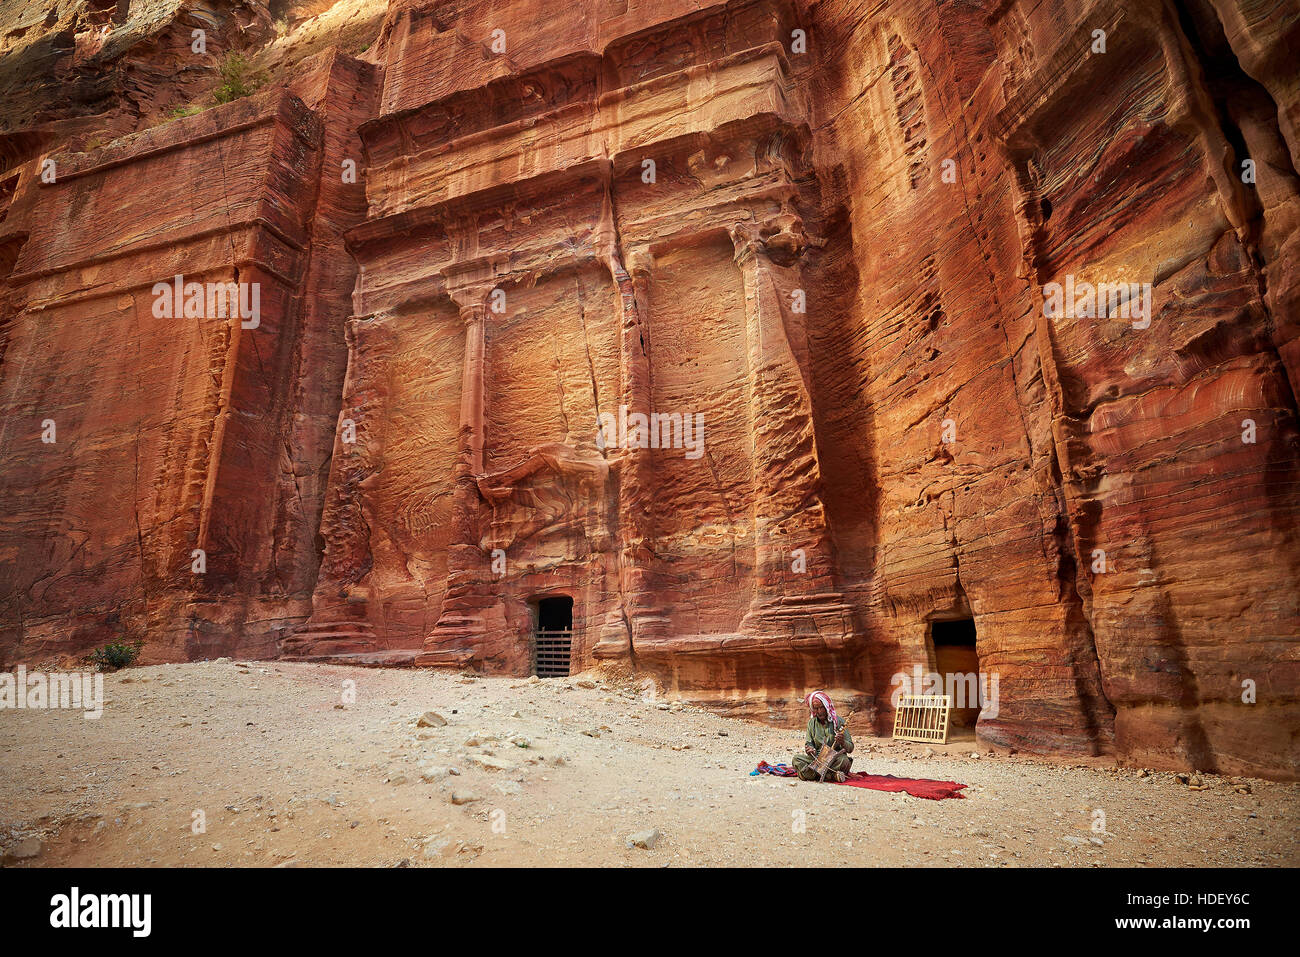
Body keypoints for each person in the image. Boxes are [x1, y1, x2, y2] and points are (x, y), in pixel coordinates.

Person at [792, 690, 853, 782]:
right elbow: (809, 743)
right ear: (813, 709)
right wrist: (810, 749)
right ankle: (831, 776)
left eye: (822, 708)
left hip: (834, 759)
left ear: (827, 707)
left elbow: (850, 748)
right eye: (816, 708)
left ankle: (811, 775)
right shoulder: (811, 723)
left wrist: (842, 742)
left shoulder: (839, 722)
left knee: (845, 761)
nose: (819, 711)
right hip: (817, 759)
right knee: (796, 759)